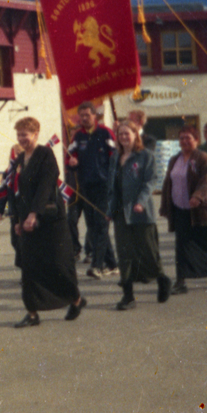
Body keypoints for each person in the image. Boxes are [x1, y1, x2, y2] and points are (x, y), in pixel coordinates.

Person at [0, 117, 84, 327]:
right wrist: (17, 219)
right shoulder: (19, 159)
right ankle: (32, 313)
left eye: (25, 134)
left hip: (51, 219)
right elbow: (16, 191)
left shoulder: (45, 154)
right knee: (30, 267)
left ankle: (76, 300)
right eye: (19, 134)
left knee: (58, 265)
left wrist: (34, 214)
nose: (21, 138)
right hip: (27, 221)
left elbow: (46, 185)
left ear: (36, 134)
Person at [109, 121, 170, 310]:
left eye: (127, 133)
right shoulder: (115, 157)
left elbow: (150, 181)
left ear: (136, 135)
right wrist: (110, 211)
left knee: (148, 251)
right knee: (124, 254)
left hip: (141, 212)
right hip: (121, 213)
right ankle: (128, 296)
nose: (123, 137)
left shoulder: (145, 156)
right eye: (120, 134)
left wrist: (141, 202)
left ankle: (162, 279)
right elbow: (112, 187)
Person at [160, 126, 207, 293]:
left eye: (188, 138)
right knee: (181, 246)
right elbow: (168, 183)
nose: (184, 141)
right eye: (181, 138)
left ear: (196, 140)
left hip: (202, 210)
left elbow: (206, 181)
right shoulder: (174, 159)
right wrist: (165, 205)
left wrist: (197, 196)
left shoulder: (203, 158)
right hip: (180, 209)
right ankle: (180, 281)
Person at [66, 101, 118, 279]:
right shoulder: (77, 137)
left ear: (95, 115)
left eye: (87, 115)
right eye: (81, 115)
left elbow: (115, 157)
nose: (84, 118)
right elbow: (69, 158)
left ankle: (97, 265)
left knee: (101, 224)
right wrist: (72, 163)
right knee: (93, 226)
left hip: (104, 187)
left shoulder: (105, 132)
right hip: (86, 188)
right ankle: (112, 264)